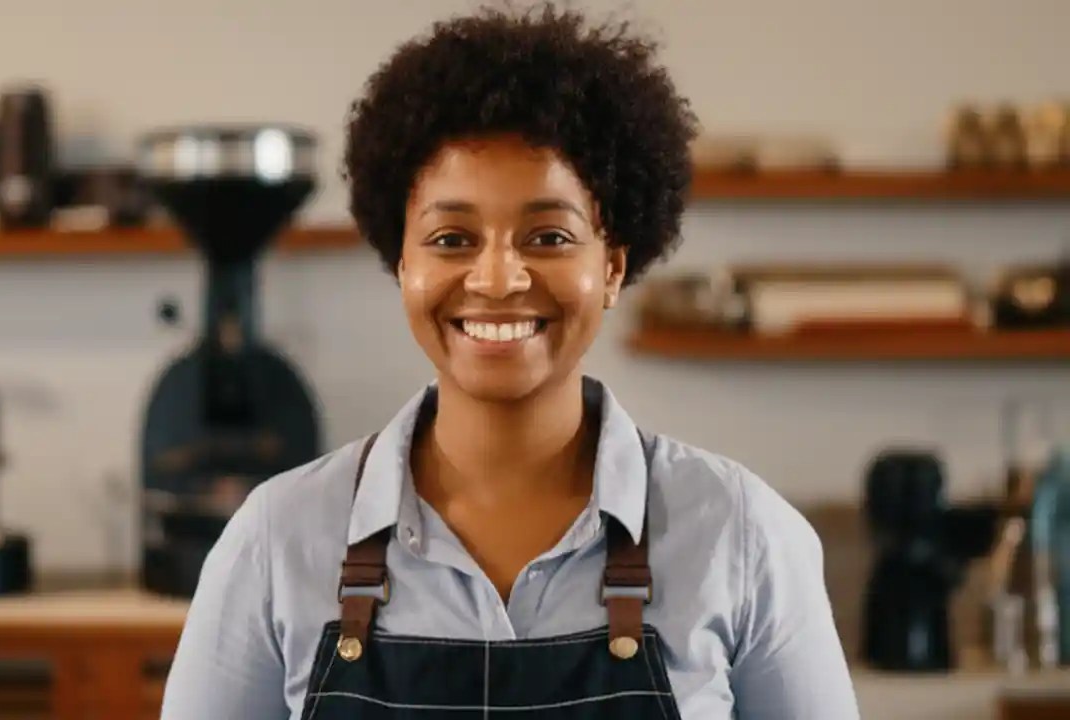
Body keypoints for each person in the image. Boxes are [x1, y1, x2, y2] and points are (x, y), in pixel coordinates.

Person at [161, 4, 860, 719]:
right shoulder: (278, 539)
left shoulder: (740, 537)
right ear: (401, 262)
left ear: (613, 267)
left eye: (550, 236)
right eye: (452, 238)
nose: (498, 279)